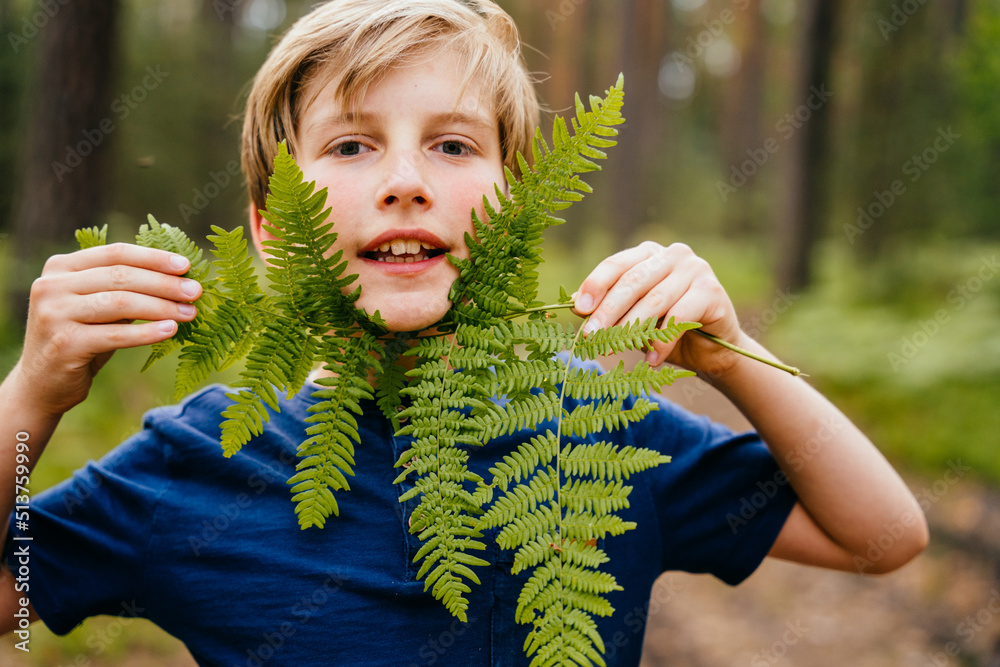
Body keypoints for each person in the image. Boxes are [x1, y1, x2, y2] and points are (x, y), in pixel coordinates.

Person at [0, 1, 928, 665]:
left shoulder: (592, 418)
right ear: (271, 224)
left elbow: (882, 536)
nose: (406, 179)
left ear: (514, 205)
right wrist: (29, 396)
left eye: (452, 145)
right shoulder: (190, 467)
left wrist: (730, 357)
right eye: (351, 145)